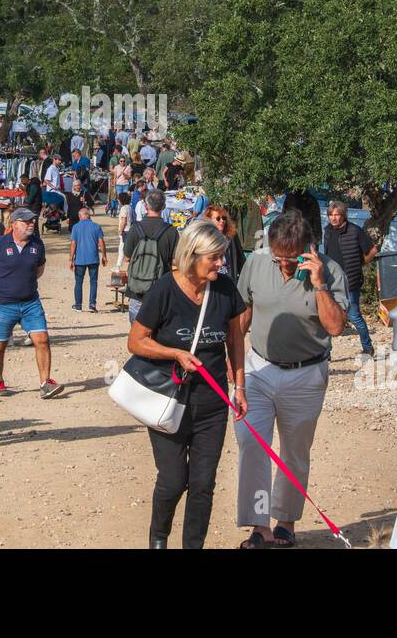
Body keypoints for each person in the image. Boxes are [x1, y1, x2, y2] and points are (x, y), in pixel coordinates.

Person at [130, 220, 249, 549]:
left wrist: (239, 388)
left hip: (212, 404)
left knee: (202, 484)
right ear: (192, 255)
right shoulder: (165, 289)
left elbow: (235, 342)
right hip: (168, 401)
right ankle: (158, 539)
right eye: (214, 257)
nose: (221, 263)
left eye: (222, 256)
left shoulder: (224, 289)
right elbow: (136, 341)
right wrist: (174, 353)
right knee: (172, 481)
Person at [234, 212, 348, 548]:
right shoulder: (256, 263)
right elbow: (242, 314)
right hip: (259, 368)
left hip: (306, 373)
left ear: (308, 249)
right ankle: (259, 524)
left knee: (294, 451)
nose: (283, 265)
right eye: (278, 258)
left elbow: (335, 327)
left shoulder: (330, 271)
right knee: (251, 441)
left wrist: (319, 284)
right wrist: (234, 362)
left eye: (291, 259)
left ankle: (285, 522)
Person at [0, 208, 64, 398]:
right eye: (26, 221)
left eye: (32, 220)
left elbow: (39, 270)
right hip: (3, 304)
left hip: (30, 303)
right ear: (14, 224)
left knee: (42, 339)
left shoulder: (37, 244)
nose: (31, 224)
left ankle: (45, 383)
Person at [320, 200, 378, 357]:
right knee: (328, 315)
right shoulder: (327, 231)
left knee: (354, 316)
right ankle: (326, 353)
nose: (334, 218)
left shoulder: (354, 231)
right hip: (331, 280)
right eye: (331, 215)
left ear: (343, 215)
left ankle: (367, 347)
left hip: (351, 281)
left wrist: (360, 264)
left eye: (337, 214)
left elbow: (372, 250)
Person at [124, 190, 180, 324]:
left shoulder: (135, 229)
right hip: (161, 289)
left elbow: (127, 257)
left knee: (138, 334)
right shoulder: (171, 231)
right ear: (164, 207)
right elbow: (176, 261)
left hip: (137, 290)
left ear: (146, 206)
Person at [69, 206, 107, 311]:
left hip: (80, 259)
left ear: (80, 216)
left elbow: (73, 244)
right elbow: (101, 243)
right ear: (88, 215)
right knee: (93, 281)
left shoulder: (75, 227)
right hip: (93, 258)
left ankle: (78, 305)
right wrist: (104, 256)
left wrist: (71, 259)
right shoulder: (96, 226)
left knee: (78, 282)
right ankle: (92, 304)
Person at [202, 204, 245, 277]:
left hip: (229, 279)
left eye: (224, 218)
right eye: (218, 218)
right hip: (210, 279)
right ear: (208, 220)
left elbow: (241, 260)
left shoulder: (232, 237)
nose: (222, 221)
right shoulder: (202, 239)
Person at [116, 191, 133, 269]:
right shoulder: (129, 207)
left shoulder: (123, 208)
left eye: (119, 199)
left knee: (121, 248)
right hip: (130, 230)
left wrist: (120, 230)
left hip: (125, 230)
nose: (118, 200)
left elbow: (124, 220)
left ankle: (118, 265)